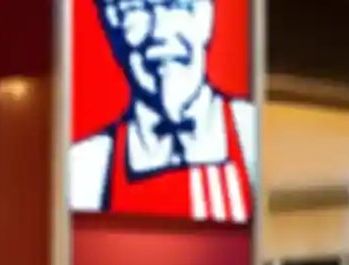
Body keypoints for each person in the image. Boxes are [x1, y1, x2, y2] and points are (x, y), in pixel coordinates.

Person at [71, 0, 256, 221]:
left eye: (176, 5)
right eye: (136, 9)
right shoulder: (85, 167)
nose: (160, 31)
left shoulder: (253, 133)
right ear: (112, 29)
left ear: (207, 17)